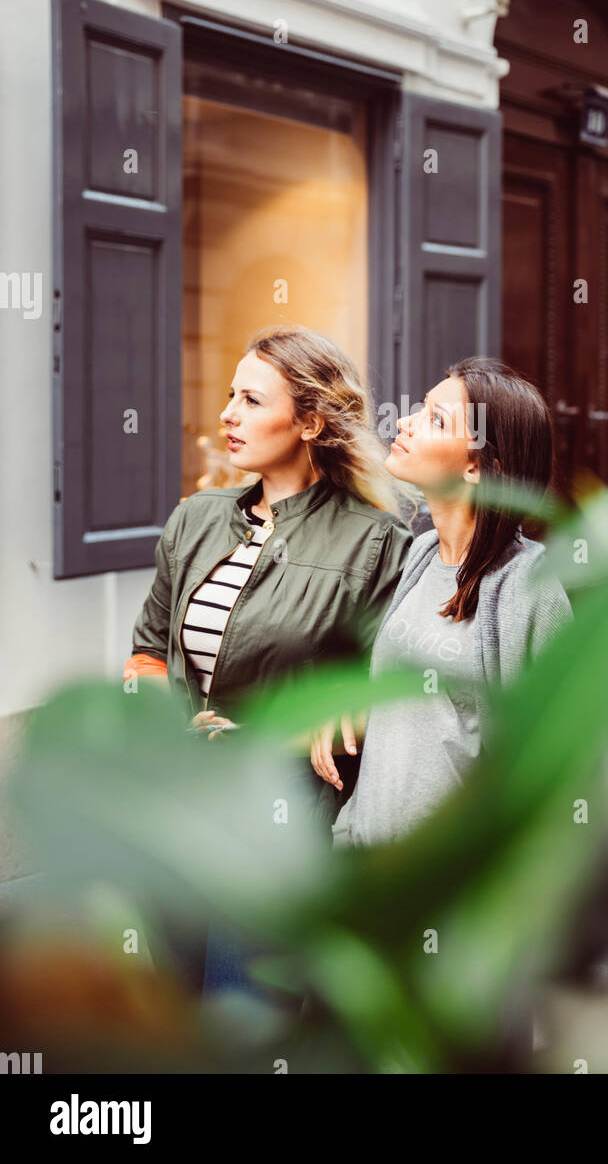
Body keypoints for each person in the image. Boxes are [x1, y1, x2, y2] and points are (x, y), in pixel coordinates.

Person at [122, 324, 412, 993]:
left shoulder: (376, 540)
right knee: (168, 1003)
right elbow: (147, 648)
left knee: (245, 1003)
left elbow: (395, 681)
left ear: (309, 420)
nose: (227, 413)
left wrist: (343, 712)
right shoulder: (195, 518)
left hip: (283, 819)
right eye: (230, 395)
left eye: (252, 400)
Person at [312, 357, 573, 850]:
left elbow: (554, 768)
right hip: (369, 864)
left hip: (447, 890)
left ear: (477, 467)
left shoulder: (528, 585)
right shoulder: (422, 552)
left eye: (435, 419)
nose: (404, 423)